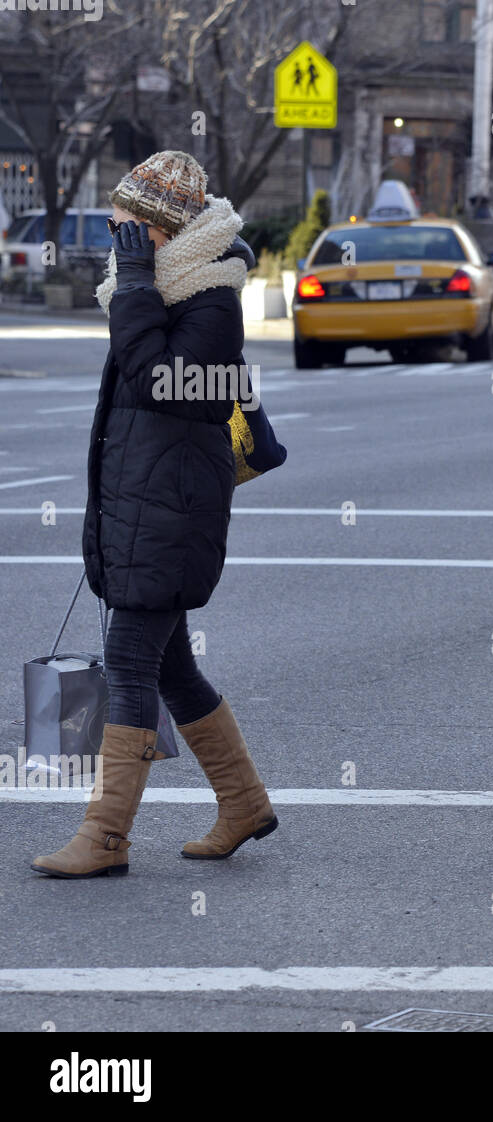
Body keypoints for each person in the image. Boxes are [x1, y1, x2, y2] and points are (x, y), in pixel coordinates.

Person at [32, 150, 276, 878]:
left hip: (172, 512)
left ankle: (105, 837)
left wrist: (136, 285)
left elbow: (158, 381)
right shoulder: (169, 289)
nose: (114, 226)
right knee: (172, 667)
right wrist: (138, 286)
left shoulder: (211, 300)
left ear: (164, 229)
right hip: (146, 504)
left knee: (132, 664)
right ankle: (243, 803)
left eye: (129, 217)